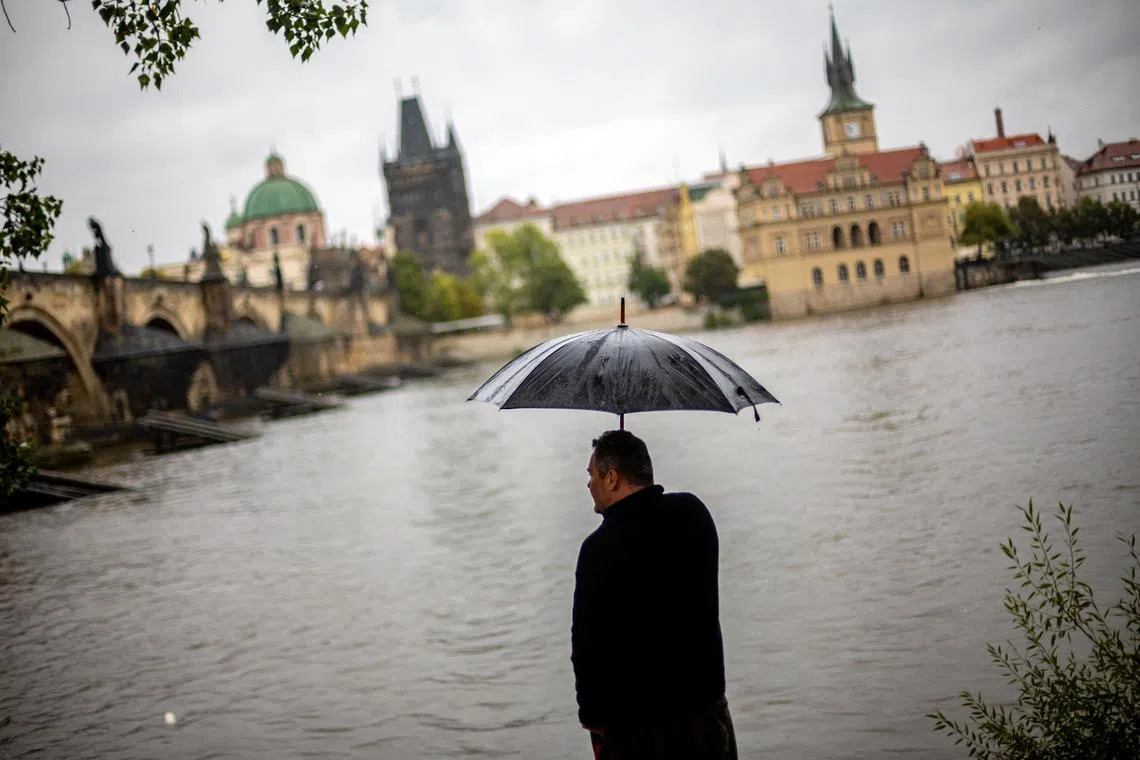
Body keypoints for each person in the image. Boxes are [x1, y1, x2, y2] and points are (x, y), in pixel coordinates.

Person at [572, 430, 738, 760]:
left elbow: (586, 647)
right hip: (706, 714)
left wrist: (593, 721)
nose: (588, 484)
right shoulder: (694, 513)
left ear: (612, 478)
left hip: (636, 729)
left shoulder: (598, 549)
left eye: (591, 474)